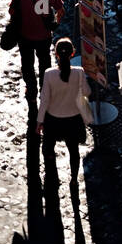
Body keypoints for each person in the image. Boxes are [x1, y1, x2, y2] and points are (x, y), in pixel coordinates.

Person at [10, 0, 65, 111]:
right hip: (44, 37)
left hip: (25, 37)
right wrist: (55, 24)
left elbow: (12, 12)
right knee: (44, 63)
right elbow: (61, 11)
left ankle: (31, 91)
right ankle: (45, 89)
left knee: (27, 65)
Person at [36, 37, 92, 182]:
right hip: (73, 120)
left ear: (56, 54)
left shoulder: (49, 74)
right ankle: (73, 178)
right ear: (72, 54)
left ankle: (51, 175)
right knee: (73, 151)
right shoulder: (79, 72)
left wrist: (39, 121)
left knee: (48, 147)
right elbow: (87, 92)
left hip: (53, 119)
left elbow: (45, 100)